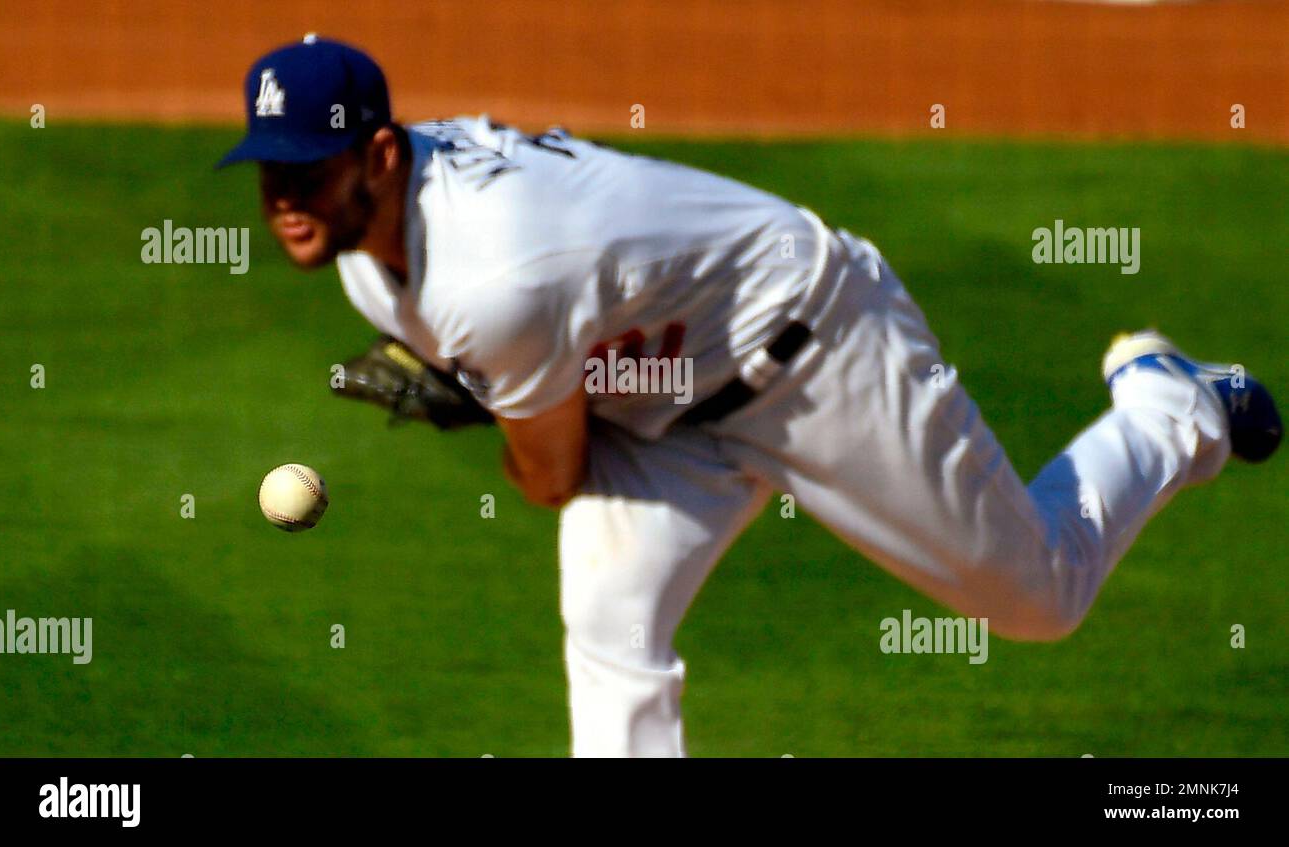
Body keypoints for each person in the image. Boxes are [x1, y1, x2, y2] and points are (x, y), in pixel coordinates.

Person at [218, 36, 1281, 757]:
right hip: (661, 396)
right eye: (269, 174)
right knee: (607, 623)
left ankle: (1164, 407)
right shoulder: (370, 250)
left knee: (1039, 597)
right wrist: (505, 388)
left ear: (382, 156)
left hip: (816, 353)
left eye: (306, 175)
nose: (283, 202)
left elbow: (547, 474)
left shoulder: (494, 275)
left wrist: (498, 398)